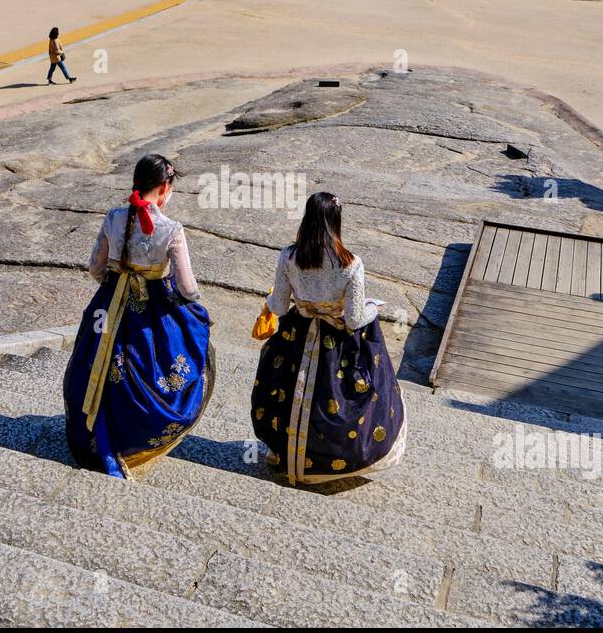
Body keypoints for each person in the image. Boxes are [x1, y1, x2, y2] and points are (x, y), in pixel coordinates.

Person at [62, 154, 212, 479]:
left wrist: (115, 284)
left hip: (107, 305)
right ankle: (132, 438)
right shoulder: (172, 229)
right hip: (150, 313)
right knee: (159, 364)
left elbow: (95, 268)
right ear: (164, 187)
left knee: (94, 363)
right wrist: (191, 307)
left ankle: (93, 432)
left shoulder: (114, 217)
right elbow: (188, 287)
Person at [249, 192, 406, 485]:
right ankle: (331, 459)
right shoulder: (351, 264)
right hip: (337, 343)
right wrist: (375, 307)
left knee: (286, 393)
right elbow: (355, 319)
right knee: (335, 400)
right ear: (336, 223)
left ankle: (288, 453)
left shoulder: (289, 255)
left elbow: (281, 306)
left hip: (297, 333)